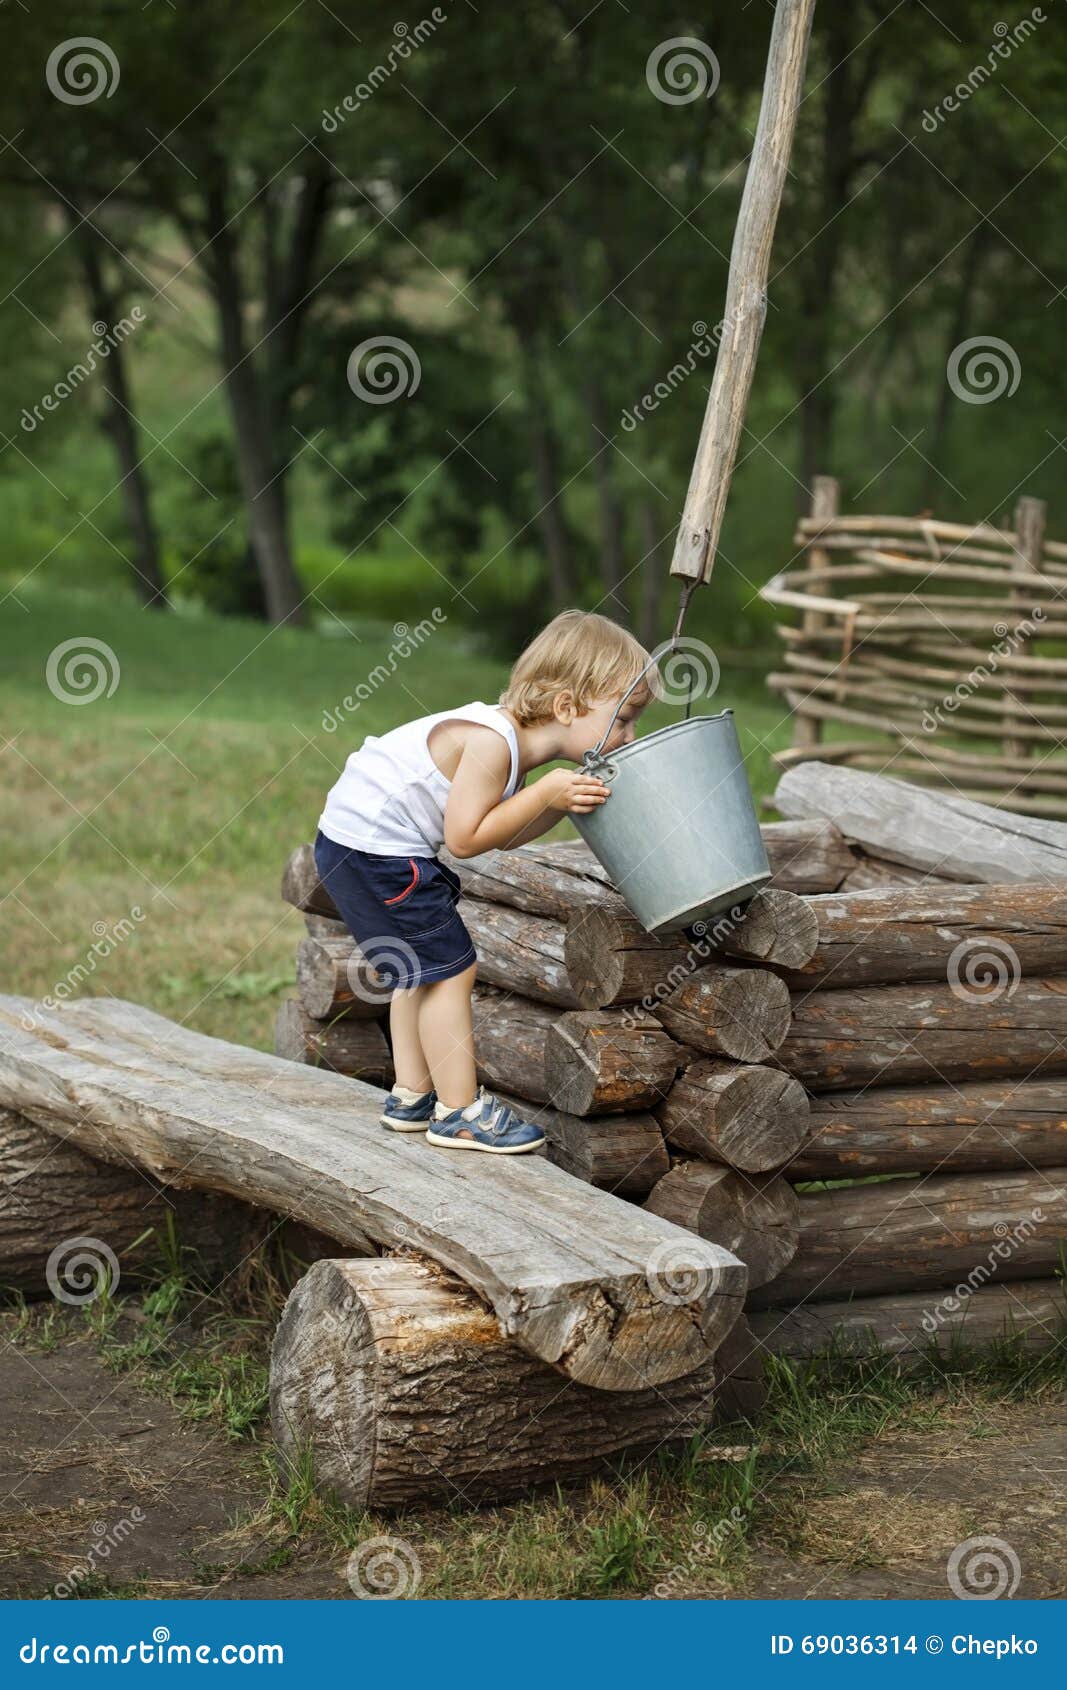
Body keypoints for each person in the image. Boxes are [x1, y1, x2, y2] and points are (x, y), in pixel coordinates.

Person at [313, 609, 654, 1153]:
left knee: (417, 972)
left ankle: (411, 1096)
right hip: (379, 853)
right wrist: (546, 793)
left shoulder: (509, 744)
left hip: (351, 845)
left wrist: (560, 804)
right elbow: (467, 839)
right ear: (567, 706)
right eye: (626, 719)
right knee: (452, 970)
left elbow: (507, 833)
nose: (631, 735)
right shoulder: (494, 742)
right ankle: (459, 1112)